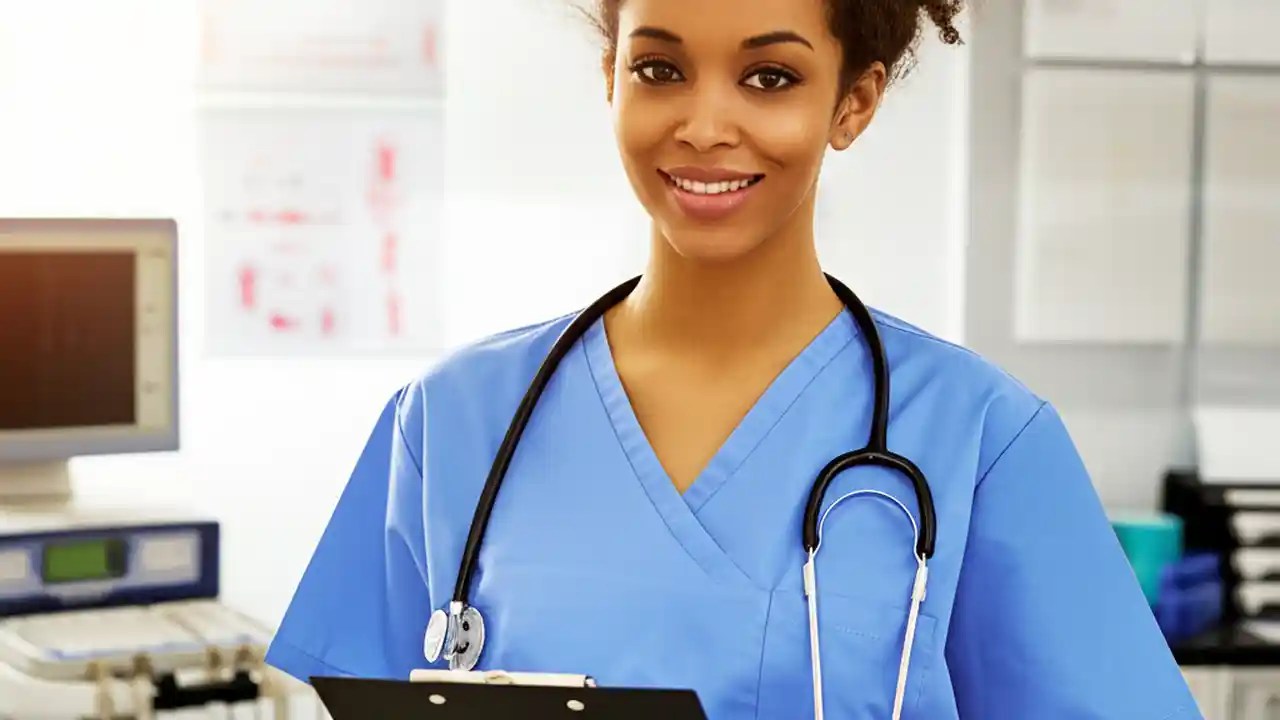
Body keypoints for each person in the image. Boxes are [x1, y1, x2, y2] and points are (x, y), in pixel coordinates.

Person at [265, 0, 1202, 717]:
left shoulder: (983, 440)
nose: (705, 125)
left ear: (854, 102)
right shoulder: (450, 421)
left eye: (769, 78)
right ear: (610, 77)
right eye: (660, 68)